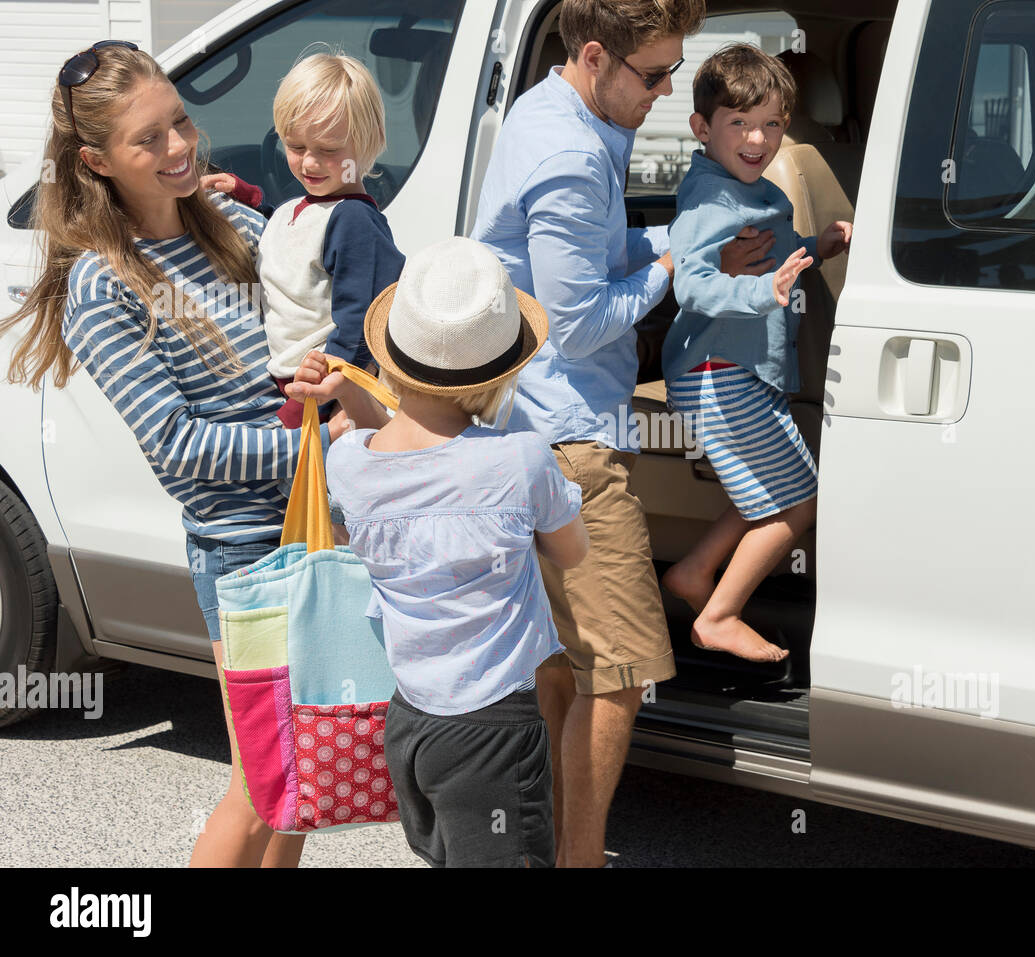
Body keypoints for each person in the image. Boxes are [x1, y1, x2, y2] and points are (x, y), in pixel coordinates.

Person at [0, 42, 383, 867]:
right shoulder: (105, 287)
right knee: (264, 780)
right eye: (150, 141)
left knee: (301, 785)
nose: (180, 148)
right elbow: (178, 446)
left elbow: (332, 304)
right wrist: (313, 444)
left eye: (179, 121)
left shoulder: (243, 226)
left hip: (322, 523)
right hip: (246, 550)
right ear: (97, 163)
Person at [472, 0, 780, 868]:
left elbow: (590, 255)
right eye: (654, 74)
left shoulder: (546, 105)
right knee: (626, 667)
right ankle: (581, 859)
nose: (668, 89)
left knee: (567, 665)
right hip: (569, 436)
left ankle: (559, 849)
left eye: (676, 69)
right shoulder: (571, 155)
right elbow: (582, 322)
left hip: (530, 424)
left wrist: (674, 243)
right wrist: (680, 266)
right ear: (597, 56)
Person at [291, 237, 588, 867]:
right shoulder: (519, 458)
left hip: (409, 724)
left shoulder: (349, 462)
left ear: (391, 356)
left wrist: (346, 395)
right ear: (504, 369)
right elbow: (573, 552)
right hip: (495, 728)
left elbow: (398, 445)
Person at [660, 44, 852, 661]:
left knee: (761, 496)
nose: (757, 137)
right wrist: (757, 290)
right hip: (721, 373)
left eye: (771, 124)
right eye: (739, 123)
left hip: (734, 371)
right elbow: (689, 282)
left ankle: (694, 572)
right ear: (702, 128)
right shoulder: (709, 200)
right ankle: (718, 614)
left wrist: (814, 248)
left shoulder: (751, 191)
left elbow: (775, 250)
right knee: (798, 503)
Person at [208, 51, 405, 431]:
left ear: (373, 140)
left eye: (329, 150)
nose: (310, 163)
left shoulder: (355, 221)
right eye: (296, 147)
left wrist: (307, 407)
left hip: (327, 398)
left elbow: (361, 326)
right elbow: (290, 249)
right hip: (293, 388)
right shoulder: (297, 208)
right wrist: (248, 200)